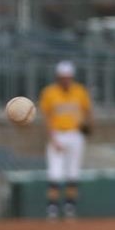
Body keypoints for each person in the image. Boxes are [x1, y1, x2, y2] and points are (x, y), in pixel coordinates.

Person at [38, 60, 92, 221]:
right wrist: (52, 138)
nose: (66, 80)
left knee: (73, 172)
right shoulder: (49, 92)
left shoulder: (79, 91)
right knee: (55, 172)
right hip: (58, 134)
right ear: (58, 77)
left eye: (68, 77)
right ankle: (52, 208)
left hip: (75, 135)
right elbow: (47, 117)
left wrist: (88, 126)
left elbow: (87, 111)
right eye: (63, 77)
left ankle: (70, 207)